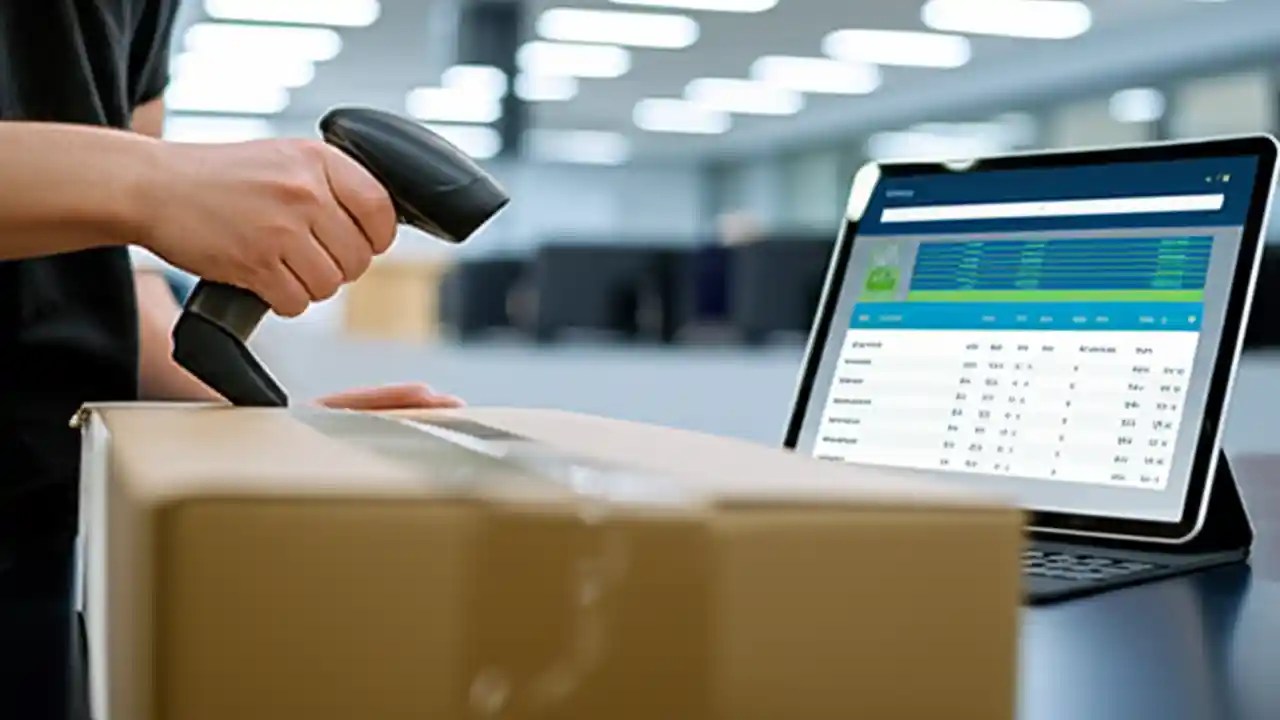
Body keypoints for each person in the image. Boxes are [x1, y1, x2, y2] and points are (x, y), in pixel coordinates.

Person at [0, 2, 464, 583]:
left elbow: (99, 273)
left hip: (45, 519)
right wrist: (158, 185)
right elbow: (133, 202)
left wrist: (268, 421)